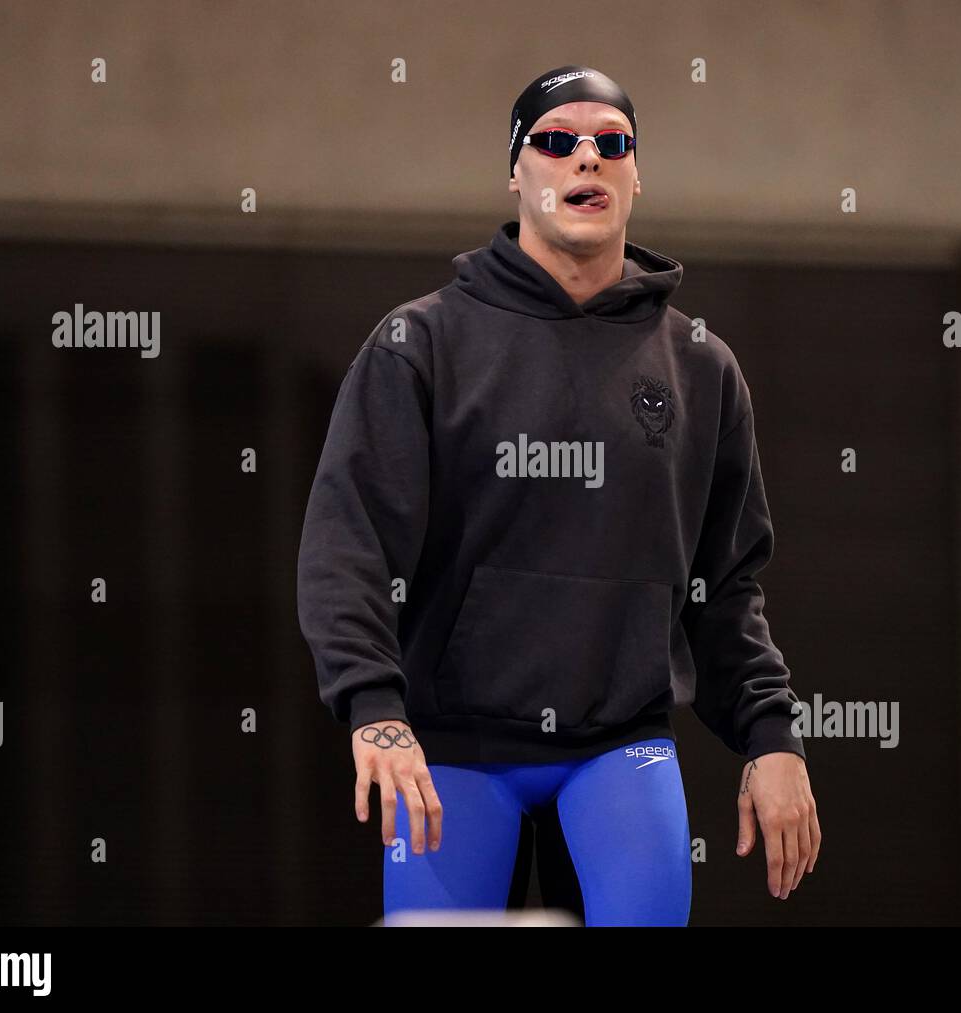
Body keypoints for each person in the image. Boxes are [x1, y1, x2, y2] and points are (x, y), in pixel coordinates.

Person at [297, 64, 821, 925]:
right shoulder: (419, 346)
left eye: (612, 144)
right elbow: (346, 548)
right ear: (516, 171)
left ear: (636, 175)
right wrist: (372, 709)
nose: (587, 159)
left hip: (620, 747)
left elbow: (724, 589)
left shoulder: (701, 371)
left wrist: (772, 736)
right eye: (556, 141)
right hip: (453, 748)